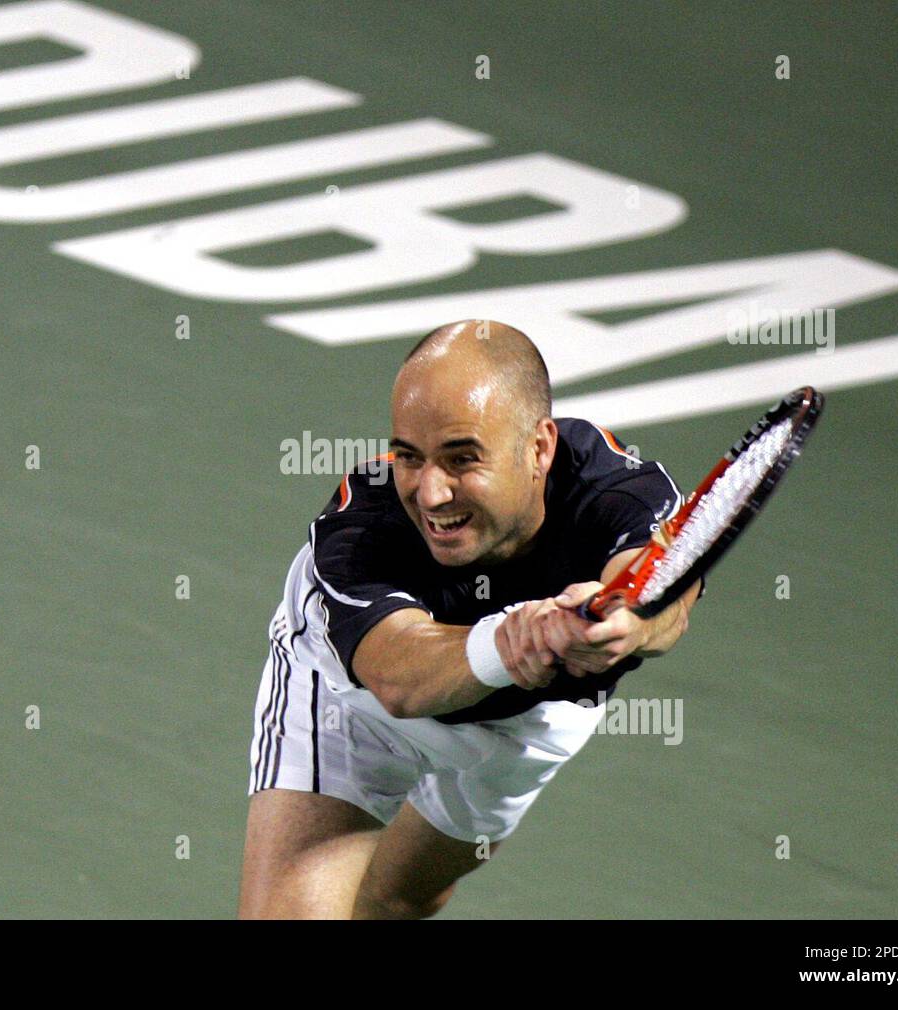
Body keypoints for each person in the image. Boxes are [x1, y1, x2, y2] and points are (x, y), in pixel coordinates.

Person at [239, 320, 702, 919]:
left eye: (461, 459)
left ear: (539, 448)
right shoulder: (361, 528)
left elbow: (665, 588)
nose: (430, 494)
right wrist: (510, 644)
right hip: (351, 704)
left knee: (401, 896)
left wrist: (629, 623)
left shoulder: (616, 490)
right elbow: (400, 679)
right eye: (409, 457)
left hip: (528, 720)